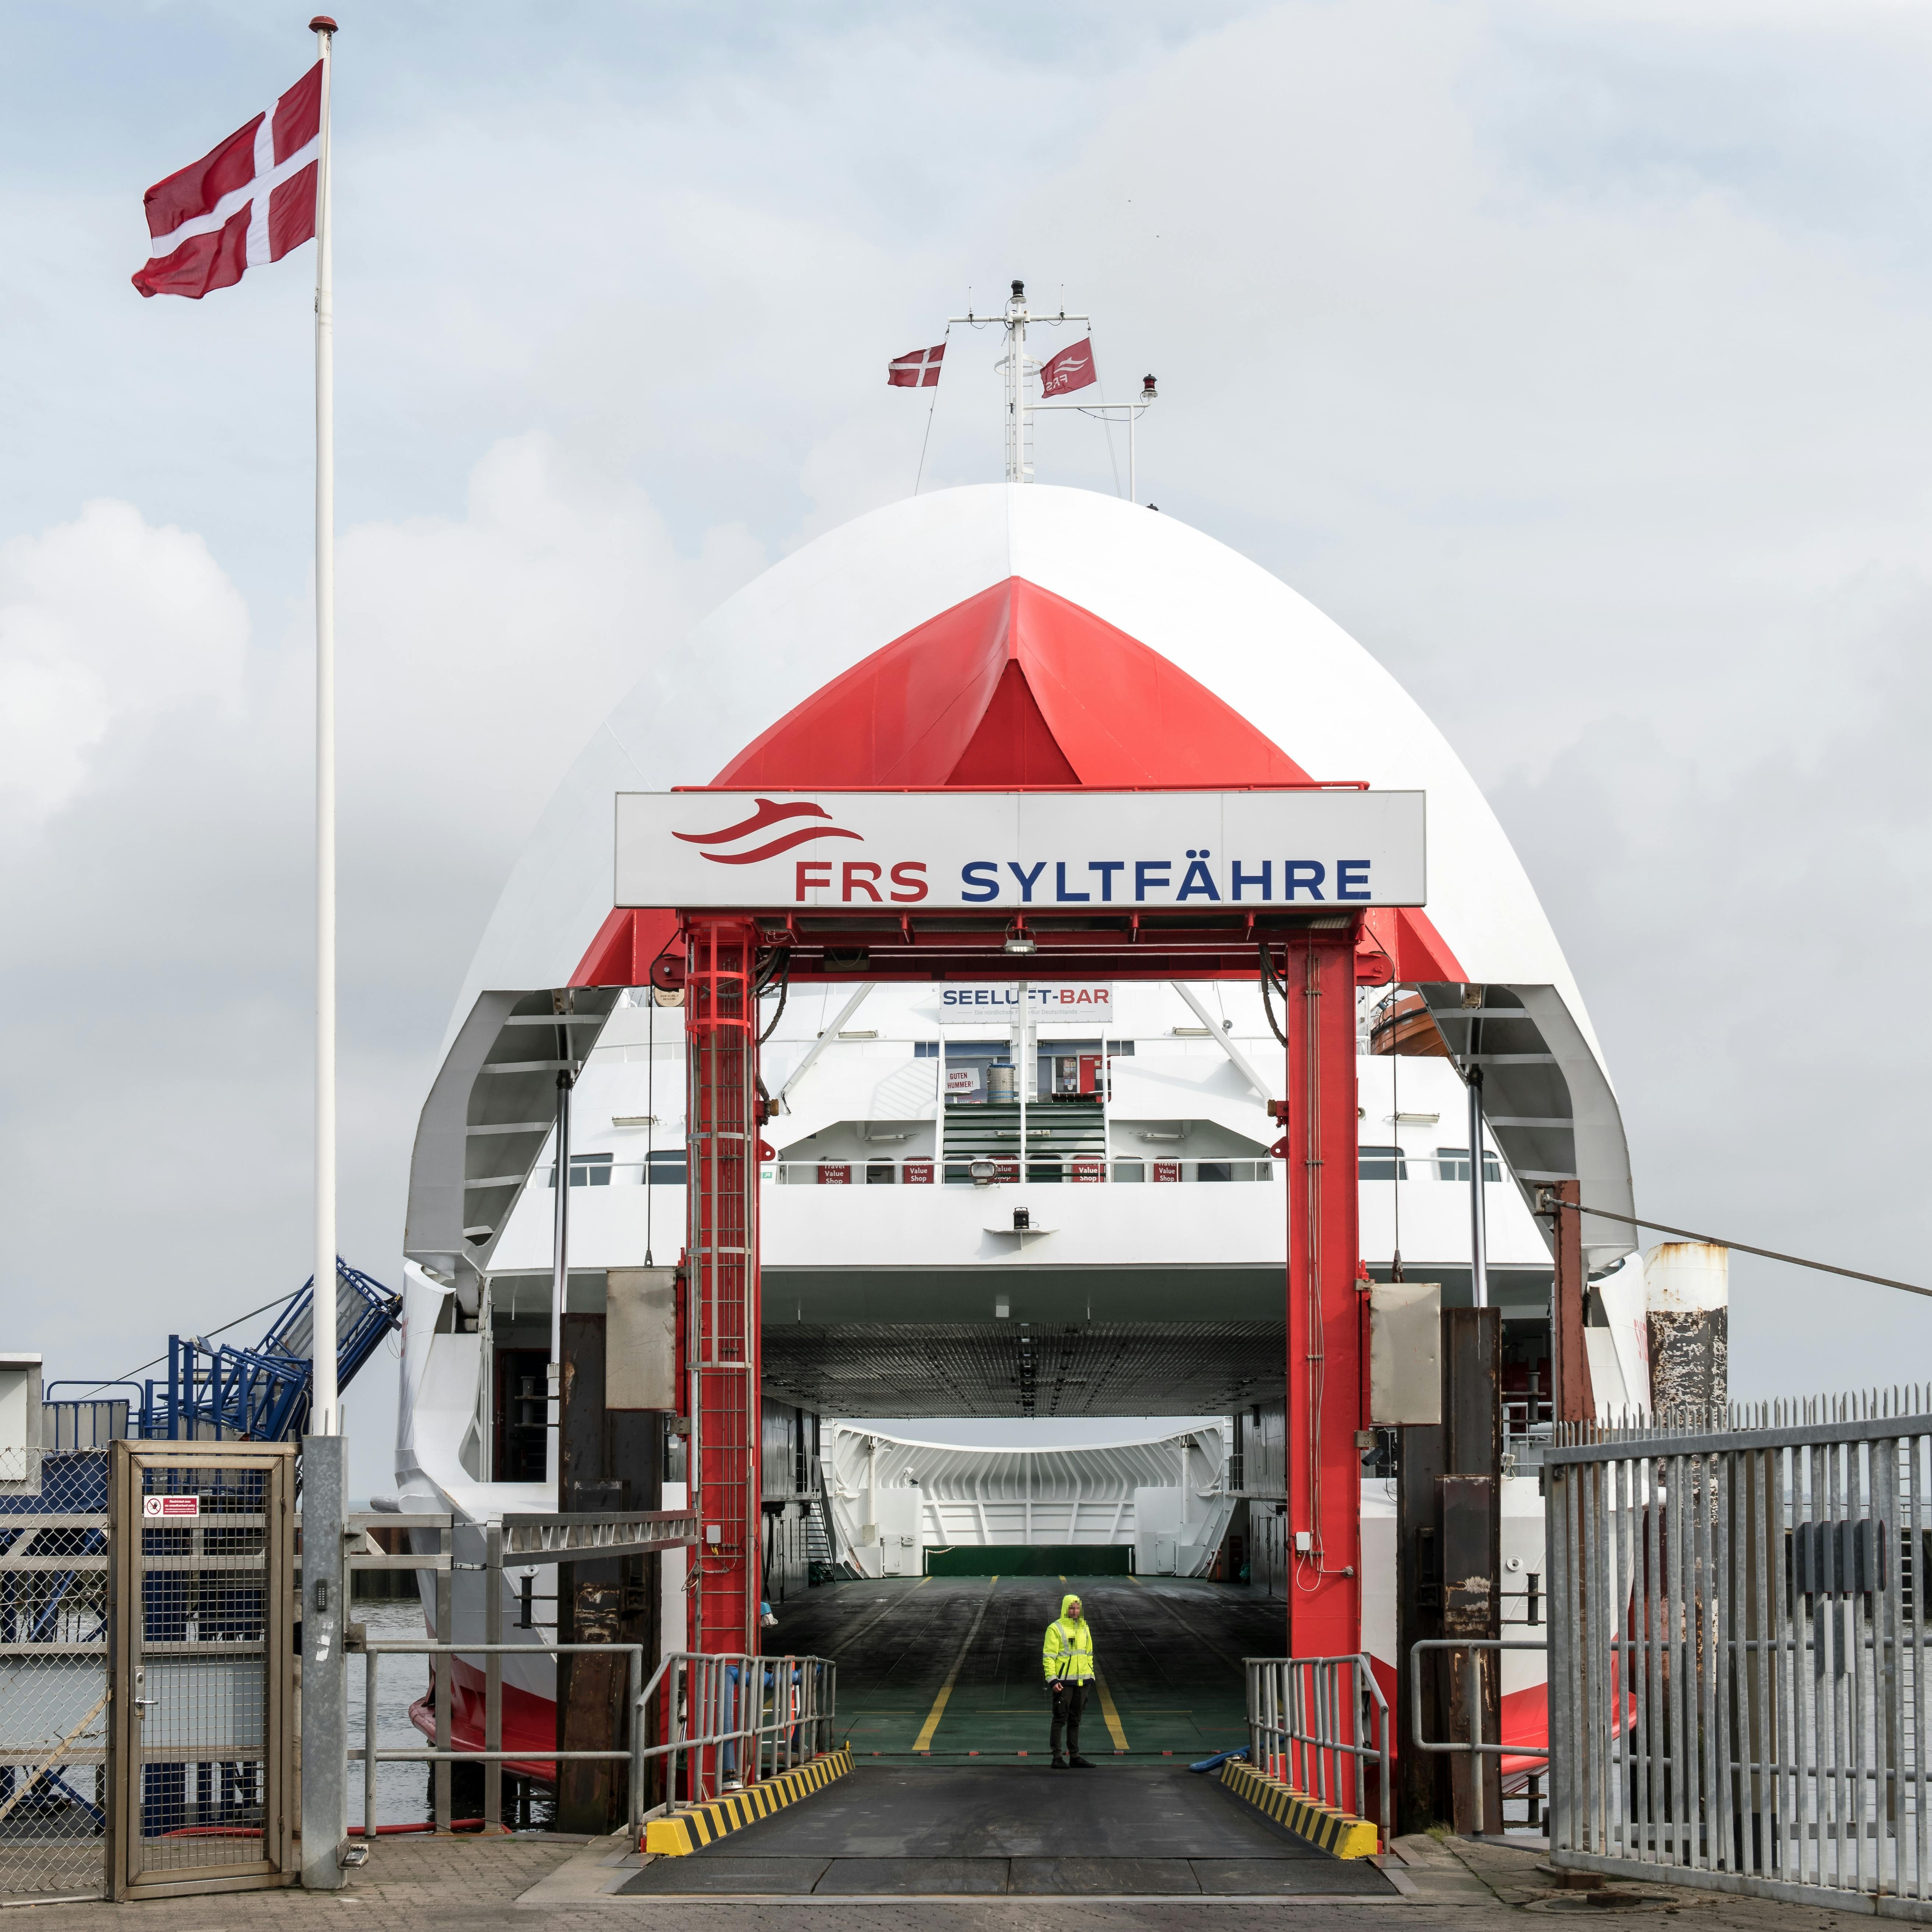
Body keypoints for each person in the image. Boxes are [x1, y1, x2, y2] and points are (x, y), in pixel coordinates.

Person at [1042, 1591, 1095, 1768]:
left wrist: (1091, 1675)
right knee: (1059, 1719)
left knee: (1075, 1720)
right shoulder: (1055, 1629)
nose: (1075, 1611)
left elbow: (1089, 1654)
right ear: (1065, 1609)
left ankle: (1075, 1756)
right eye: (1072, 1608)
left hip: (1083, 1682)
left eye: (1077, 1607)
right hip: (1064, 1683)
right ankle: (1057, 1757)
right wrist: (1052, 1679)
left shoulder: (1084, 1628)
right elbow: (1049, 1657)